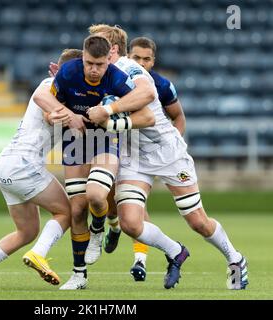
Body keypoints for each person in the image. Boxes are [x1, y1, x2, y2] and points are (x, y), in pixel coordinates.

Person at [88, 24, 248, 290]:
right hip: (134, 156)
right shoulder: (98, 73)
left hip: (167, 152)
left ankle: (235, 258)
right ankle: (175, 251)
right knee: (130, 223)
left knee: (198, 222)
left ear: (114, 50)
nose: (93, 57)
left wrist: (109, 114)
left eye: (100, 47)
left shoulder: (130, 69)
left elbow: (148, 99)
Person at [33, 35, 157, 290]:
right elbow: (42, 98)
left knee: (97, 196)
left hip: (105, 139)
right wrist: (63, 115)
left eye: (99, 65)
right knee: (77, 209)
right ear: (82, 58)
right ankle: (79, 276)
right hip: (75, 141)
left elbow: (147, 115)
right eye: (89, 63)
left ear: (107, 62)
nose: (94, 70)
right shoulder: (69, 72)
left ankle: (98, 228)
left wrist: (110, 116)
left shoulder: (116, 78)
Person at [0, 49, 83, 289]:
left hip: (6, 164)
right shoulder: (52, 86)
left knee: (26, 231)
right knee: (66, 212)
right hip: (23, 165)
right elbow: (50, 113)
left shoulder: (63, 89)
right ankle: (38, 254)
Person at [104, 36, 186, 282]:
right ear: (128, 55)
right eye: (137, 57)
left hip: (153, 152)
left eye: (146, 59)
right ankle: (113, 223)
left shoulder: (161, 86)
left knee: (135, 208)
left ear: (153, 61)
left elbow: (178, 118)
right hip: (124, 145)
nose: (141, 62)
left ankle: (140, 260)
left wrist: (171, 150)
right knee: (107, 192)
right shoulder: (115, 76)